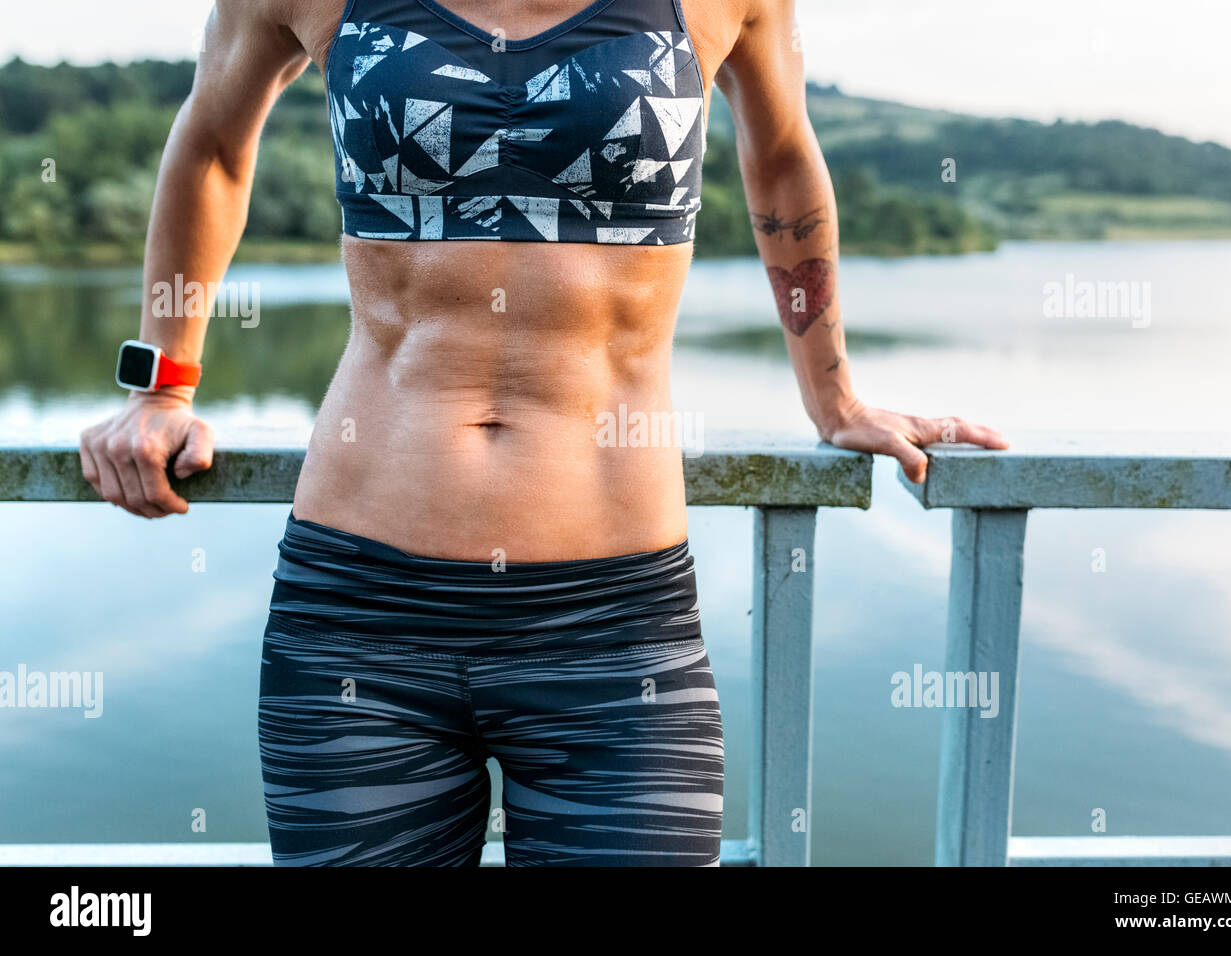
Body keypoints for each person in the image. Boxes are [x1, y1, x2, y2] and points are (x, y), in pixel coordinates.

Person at [79, 0, 1008, 866]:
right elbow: (211, 143)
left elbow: (782, 159)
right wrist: (164, 381)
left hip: (617, 631)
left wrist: (835, 398)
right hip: (360, 616)